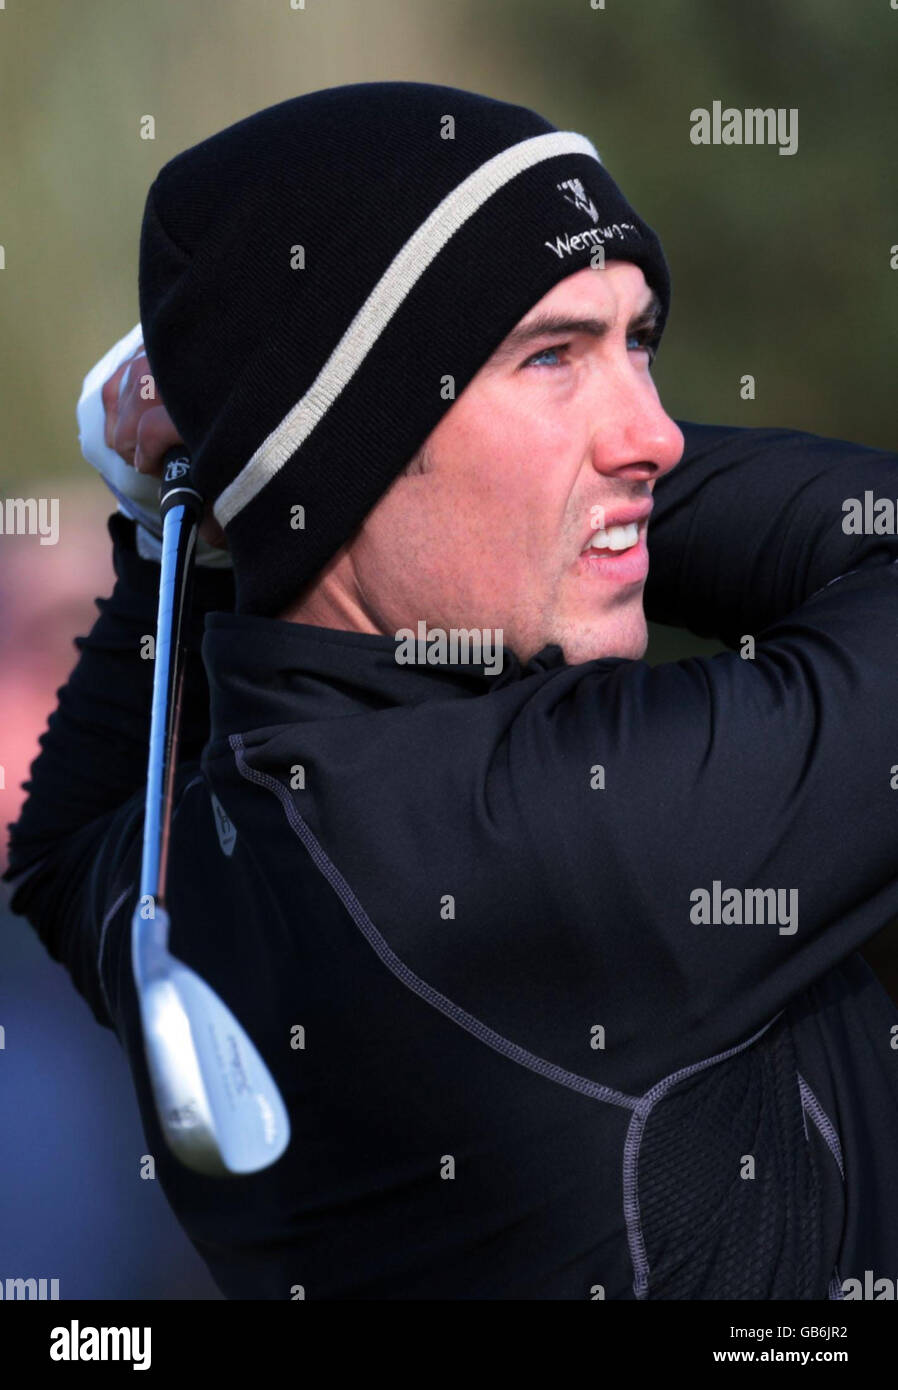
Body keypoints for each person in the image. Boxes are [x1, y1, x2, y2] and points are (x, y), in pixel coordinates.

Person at [5, 81, 898, 1301]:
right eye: (550, 357)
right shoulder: (550, 831)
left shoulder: (189, 858)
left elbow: (55, 856)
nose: (659, 433)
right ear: (346, 440)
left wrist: (197, 524)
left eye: (636, 344)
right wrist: (231, 471)